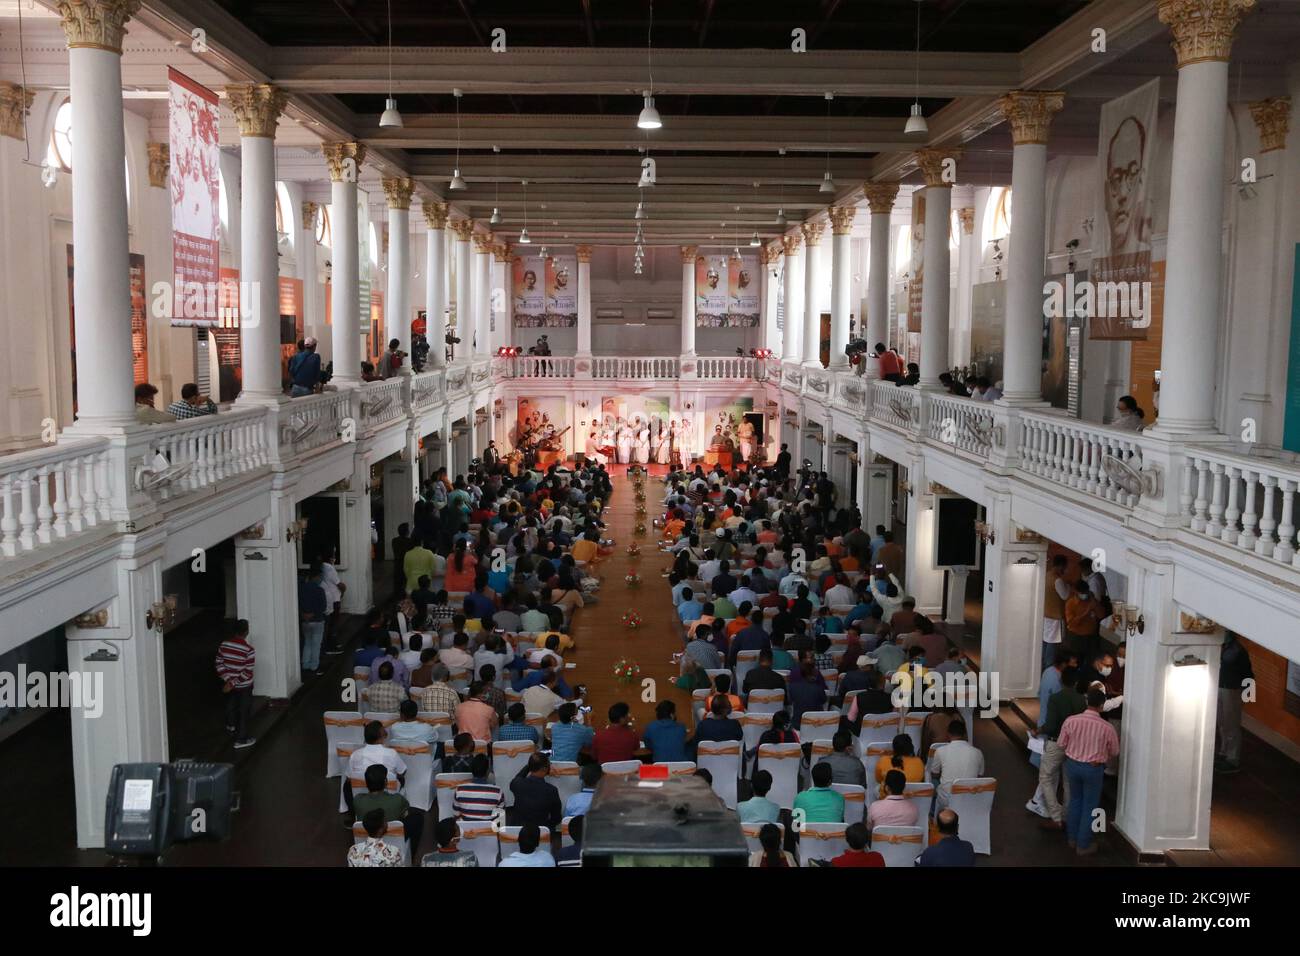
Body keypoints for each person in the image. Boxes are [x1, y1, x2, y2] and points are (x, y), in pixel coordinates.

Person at [1059, 686, 1120, 856]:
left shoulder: (1071, 720)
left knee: (1075, 801)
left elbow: (1061, 744)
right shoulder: (1107, 727)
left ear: (1086, 702)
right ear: (1102, 705)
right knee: (1090, 805)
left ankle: (1071, 839)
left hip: (1072, 765)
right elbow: (1115, 751)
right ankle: (1083, 844)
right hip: (1093, 768)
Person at [1035, 668, 1086, 830]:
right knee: (1068, 782)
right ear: (1076, 682)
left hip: (1056, 742)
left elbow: (1050, 725)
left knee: (1045, 777)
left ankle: (1056, 816)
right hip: (1075, 745)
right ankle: (1066, 816)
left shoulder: (1056, 698)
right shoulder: (1081, 700)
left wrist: (1039, 730)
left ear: (1061, 681)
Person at [354, 763, 423, 858]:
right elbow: (405, 814)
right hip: (394, 841)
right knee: (418, 818)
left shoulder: (357, 800)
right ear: (385, 782)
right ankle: (412, 856)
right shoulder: (397, 799)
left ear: (367, 783)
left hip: (368, 837)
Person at [215, 618, 256, 749]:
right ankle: (241, 739)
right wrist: (234, 682)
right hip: (244, 686)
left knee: (230, 704)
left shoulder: (224, 645)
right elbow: (247, 672)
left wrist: (228, 680)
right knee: (244, 711)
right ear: (246, 632)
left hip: (229, 684)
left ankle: (231, 725)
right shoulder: (248, 650)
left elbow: (219, 663)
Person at [1216, 631, 1253, 774]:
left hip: (1232, 690)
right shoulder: (1220, 646)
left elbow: (1248, 673)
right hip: (1219, 687)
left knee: (1231, 724)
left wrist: (1249, 695)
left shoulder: (1239, 651)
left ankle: (1232, 759)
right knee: (1221, 722)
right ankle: (1223, 752)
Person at [929, 720, 983, 810]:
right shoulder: (978, 752)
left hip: (947, 799)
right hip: (969, 798)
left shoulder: (940, 750)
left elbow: (934, 774)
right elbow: (979, 776)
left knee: (933, 781)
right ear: (965, 735)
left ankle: (933, 814)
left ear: (948, 734)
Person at [508, 753, 563, 832]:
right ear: (544, 768)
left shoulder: (517, 783)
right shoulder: (551, 790)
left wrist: (531, 765)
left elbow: (519, 776)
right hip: (540, 834)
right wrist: (545, 827)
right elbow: (556, 819)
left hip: (516, 833)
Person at [453, 753, 505, 821]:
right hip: (489, 830)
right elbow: (499, 819)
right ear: (488, 771)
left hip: (465, 830)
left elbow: (456, 815)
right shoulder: (498, 792)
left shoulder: (459, 790)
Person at [297, 565, 328, 675]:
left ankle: (305, 664)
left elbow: (298, 604)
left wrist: (303, 614)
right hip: (317, 620)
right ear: (317, 577)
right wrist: (313, 614)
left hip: (304, 621)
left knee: (307, 643)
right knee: (316, 645)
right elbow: (323, 607)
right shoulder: (319, 590)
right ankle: (314, 666)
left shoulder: (300, 589)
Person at [1042, 554, 1070, 668]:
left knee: (1044, 642)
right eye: (1065, 567)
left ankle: (1042, 665)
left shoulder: (1046, 575)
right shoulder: (1057, 580)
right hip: (1055, 618)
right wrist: (1068, 585)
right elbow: (1065, 595)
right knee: (1052, 644)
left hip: (1044, 614)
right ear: (1061, 566)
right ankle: (1048, 666)